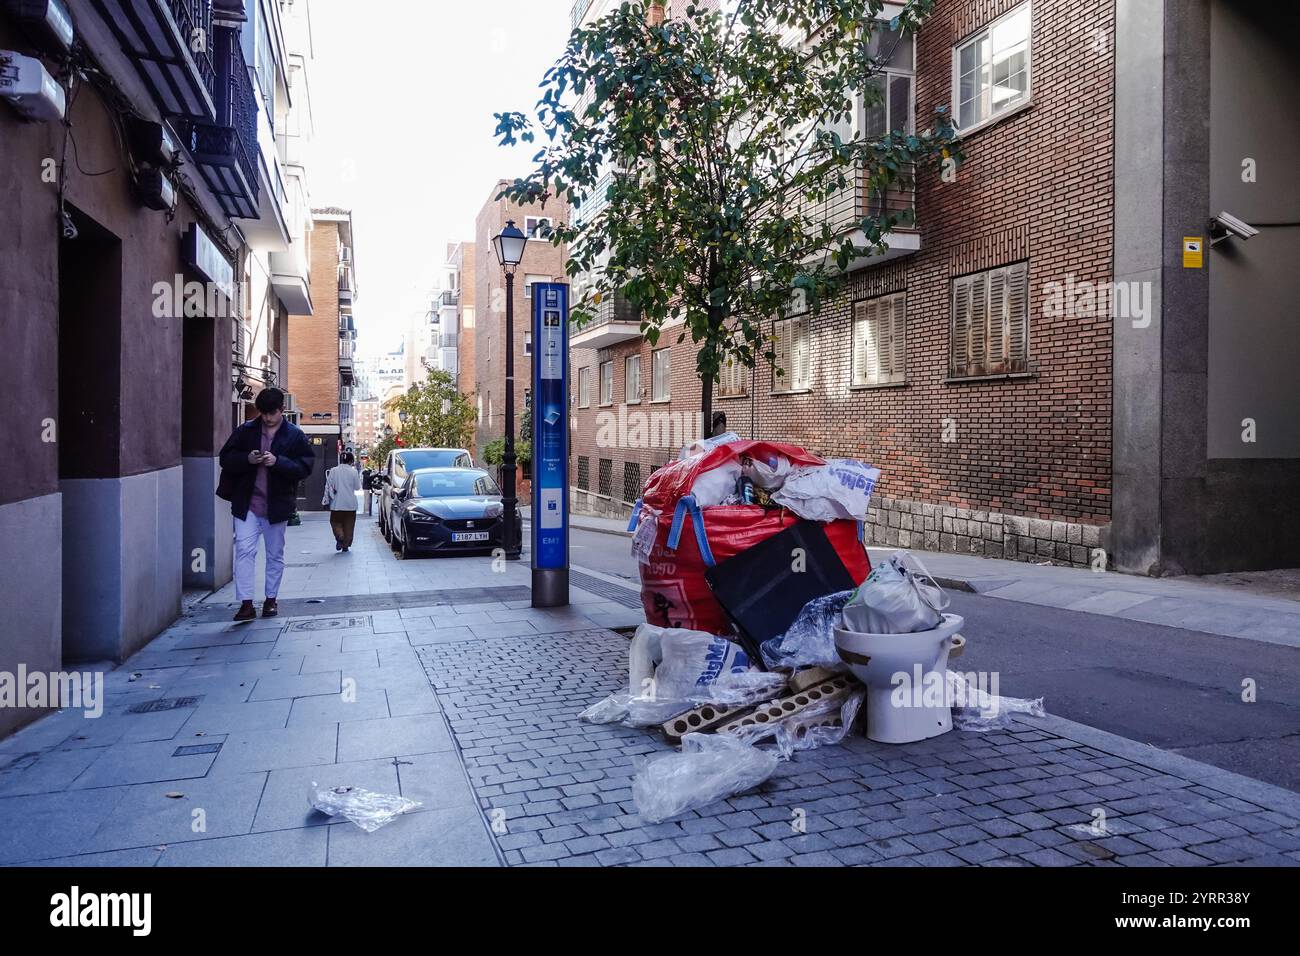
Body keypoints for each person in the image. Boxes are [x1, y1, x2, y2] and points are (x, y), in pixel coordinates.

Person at [217, 388, 315, 621]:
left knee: (274, 554)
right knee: (244, 551)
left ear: (282, 410)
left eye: (272, 413)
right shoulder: (246, 430)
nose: (267, 418)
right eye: (263, 413)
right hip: (246, 502)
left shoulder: (294, 435)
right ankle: (246, 603)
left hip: (277, 505)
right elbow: (225, 458)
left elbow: (305, 467)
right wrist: (247, 459)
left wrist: (277, 461)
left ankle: (271, 600)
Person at [323, 451, 363, 551]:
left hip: (336, 503)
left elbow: (328, 485)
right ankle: (345, 545)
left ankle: (340, 536)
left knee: (335, 522)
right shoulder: (353, 471)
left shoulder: (333, 470)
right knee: (349, 524)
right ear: (351, 461)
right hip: (350, 503)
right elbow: (358, 487)